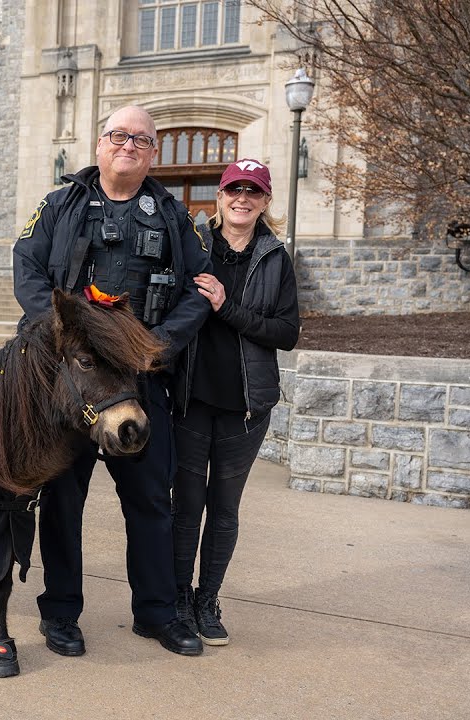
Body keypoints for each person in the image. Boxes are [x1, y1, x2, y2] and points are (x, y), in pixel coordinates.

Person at [12, 105, 213, 657]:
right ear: (100, 145)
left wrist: (157, 345)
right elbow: (26, 268)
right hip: (70, 384)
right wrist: (65, 332)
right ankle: (60, 615)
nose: (130, 145)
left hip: (139, 384)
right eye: (119, 136)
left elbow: (202, 288)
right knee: (60, 503)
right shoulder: (59, 206)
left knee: (150, 503)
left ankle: (155, 614)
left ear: (153, 154)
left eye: (142, 140)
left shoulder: (175, 217)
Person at [170, 158, 301, 646]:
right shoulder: (194, 247)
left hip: (246, 408)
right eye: (234, 189)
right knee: (185, 507)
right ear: (219, 197)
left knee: (224, 509)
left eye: (253, 191)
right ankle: (179, 601)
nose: (242, 198)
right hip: (191, 399)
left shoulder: (275, 257)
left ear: (265, 201)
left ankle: (208, 601)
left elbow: (286, 333)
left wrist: (228, 308)